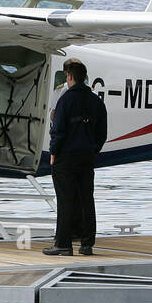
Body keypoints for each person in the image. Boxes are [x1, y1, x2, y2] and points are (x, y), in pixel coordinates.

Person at [43, 58, 107, 256]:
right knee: (87, 199)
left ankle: (63, 243)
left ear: (69, 77)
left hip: (66, 158)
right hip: (87, 157)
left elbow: (58, 130)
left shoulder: (66, 100)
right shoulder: (96, 101)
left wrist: (53, 152)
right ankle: (87, 244)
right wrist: (92, 149)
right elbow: (102, 133)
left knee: (65, 200)